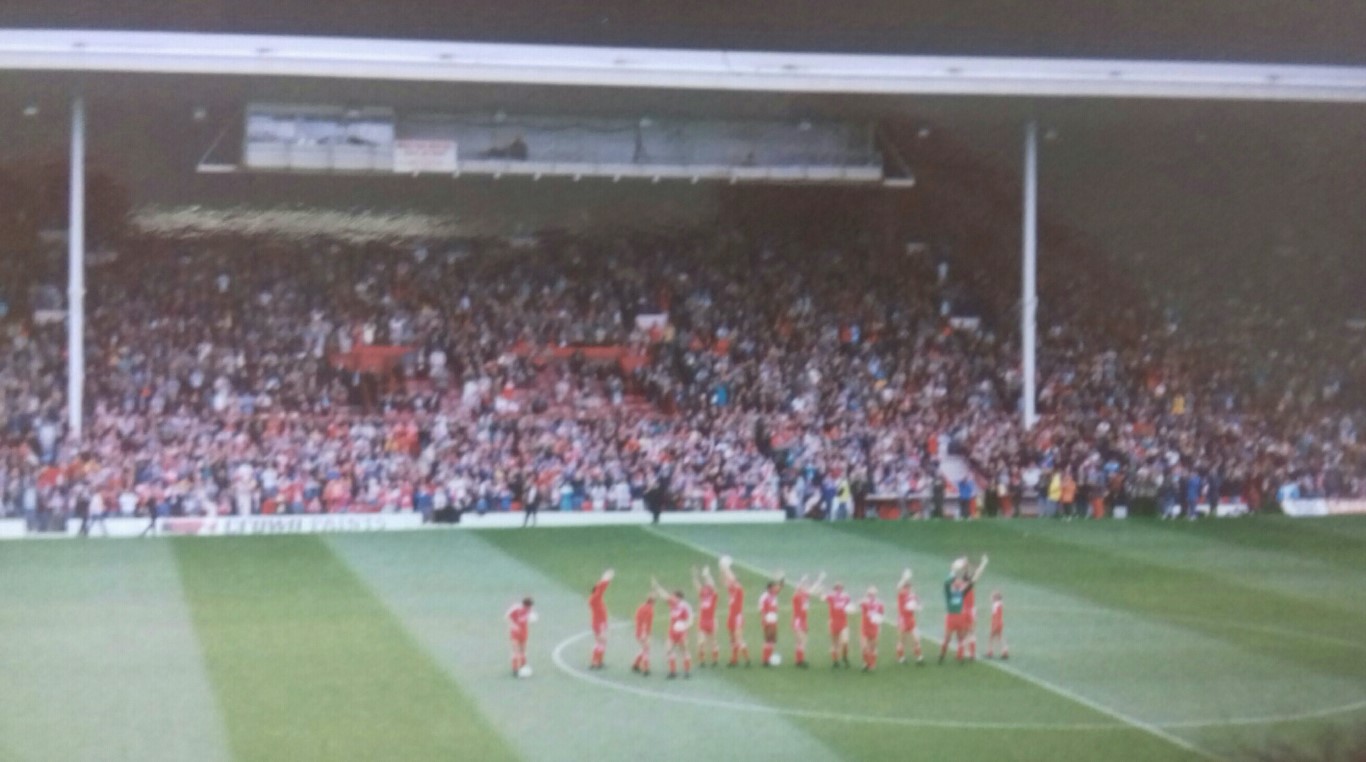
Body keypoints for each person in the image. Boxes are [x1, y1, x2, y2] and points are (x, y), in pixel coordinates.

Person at [938, 555, 987, 664]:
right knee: (970, 633)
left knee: (959, 635)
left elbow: (950, 582)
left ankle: (958, 654)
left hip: (960, 612)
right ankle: (971, 654)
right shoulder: (967, 587)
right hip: (969, 611)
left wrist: (957, 567)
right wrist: (983, 563)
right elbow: (975, 577)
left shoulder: (959, 587)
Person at [650, 577, 692, 679]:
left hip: (682, 632)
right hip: (672, 630)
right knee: (668, 649)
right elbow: (665, 596)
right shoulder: (672, 603)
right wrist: (657, 586)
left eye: (674, 596)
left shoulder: (685, 606)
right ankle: (673, 671)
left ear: (679, 598)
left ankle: (687, 671)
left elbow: (690, 618)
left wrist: (685, 627)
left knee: (684, 650)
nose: (672, 597)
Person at [719, 556, 751, 667]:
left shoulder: (739, 589)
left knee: (738, 637)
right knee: (732, 638)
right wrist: (722, 570)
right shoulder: (732, 589)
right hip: (731, 615)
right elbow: (724, 581)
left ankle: (747, 659)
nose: (730, 581)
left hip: (737, 616)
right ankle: (734, 659)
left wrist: (726, 567)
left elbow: (731, 579)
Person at [791, 572, 824, 668]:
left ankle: (799, 660)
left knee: (800, 641)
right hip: (798, 621)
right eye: (803, 586)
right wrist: (803, 581)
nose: (804, 587)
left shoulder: (805, 595)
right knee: (802, 640)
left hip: (803, 620)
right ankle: (800, 660)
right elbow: (803, 590)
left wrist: (819, 581)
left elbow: (813, 590)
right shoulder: (796, 596)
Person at [895, 568, 924, 665]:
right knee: (902, 640)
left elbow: (919, 605)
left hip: (911, 619)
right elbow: (898, 587)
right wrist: (904, 578)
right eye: (905, 587)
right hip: (903, 619)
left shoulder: (913, 596)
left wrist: (917, 607)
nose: (907, 589)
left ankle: (919, 657)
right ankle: (901, 657)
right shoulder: (901, 595)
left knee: (916, 639)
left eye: (908, 587)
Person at [692, 565, 720, 667]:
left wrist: (707, 575)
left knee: (713, 641)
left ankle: (715, 660)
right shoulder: (703, 595)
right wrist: (695, 575)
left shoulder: (714, 596)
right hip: (703, 621)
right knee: (701, 642)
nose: (706, 590)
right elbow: (697, 585)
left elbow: (713, 586)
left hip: (711, 621)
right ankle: (702, 661)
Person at [588, 568, 614, 669]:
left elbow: (600, 589)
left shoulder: (594, 599)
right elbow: (601, 589)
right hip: (599, 623)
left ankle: (598, 661)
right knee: (601, 641)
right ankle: (595, 662)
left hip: (598, 622)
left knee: (601, 642)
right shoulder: (595, 599)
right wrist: (606, 578)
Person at [823, 581, 853, 668]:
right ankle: (835, 661)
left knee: (845, 641)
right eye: (837, 588)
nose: (839, 589)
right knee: (834, 643)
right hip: (833, 622)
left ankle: (845, 656)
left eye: (840, 588)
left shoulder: (846, 597)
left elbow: (850, 606)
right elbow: (823, 597)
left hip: (843, 622)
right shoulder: (831, 596)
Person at [758, 575, 785, 667]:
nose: (775, 589)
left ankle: (768, 658)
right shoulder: (764, 597)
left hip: (774, 618)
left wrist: (781, 578)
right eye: (773, 587)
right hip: (768, 619)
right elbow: (761, 610)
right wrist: (763, 620)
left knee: (773, 640)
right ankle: (765, 660)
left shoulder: (773, 594)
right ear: (769, 588)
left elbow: (780, 586)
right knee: (768, 639)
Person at [506, 596, 536, 677]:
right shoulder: (516, 608)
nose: (530, 607)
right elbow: (508, 616)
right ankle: (515, 669)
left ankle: (522, 666)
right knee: (517, 650)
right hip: (516, 631)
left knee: (522, 650)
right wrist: (513, 625)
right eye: (529, 606)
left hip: (522, 631)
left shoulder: (529, 610)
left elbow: (532, 619)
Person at [858, 586, 885, 672]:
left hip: (874, 628)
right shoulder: (865, 603)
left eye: (873, 594)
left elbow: (881, 615)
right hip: (865, 627)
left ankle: (872, 664)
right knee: (864, 647)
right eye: (870, 594)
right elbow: (859, 604)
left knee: (872, 647)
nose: (871, 596)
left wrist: (879, 625)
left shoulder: (879, 604)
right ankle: (866, 663)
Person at [631, 592, 656, 676]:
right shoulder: (650, 610)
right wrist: (644, 634)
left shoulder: (641, 607)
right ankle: (645, 668)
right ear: (653, 602)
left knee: (644, 649)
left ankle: (636, 665)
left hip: (638, 631)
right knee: (646, 649)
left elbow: (637, 619)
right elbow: (645, 622)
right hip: (643, 632)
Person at [985, 590, 1008, 660]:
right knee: (1000, 637)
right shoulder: (1000, 604)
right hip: (1000, 623)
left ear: (996, 598)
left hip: (996, 623)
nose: (991, 598)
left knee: (991, 637)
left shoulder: (995, 605)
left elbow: (996, 615)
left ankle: (990, 652)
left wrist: (995, 625)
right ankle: (1005, 651)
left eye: (992, 596)